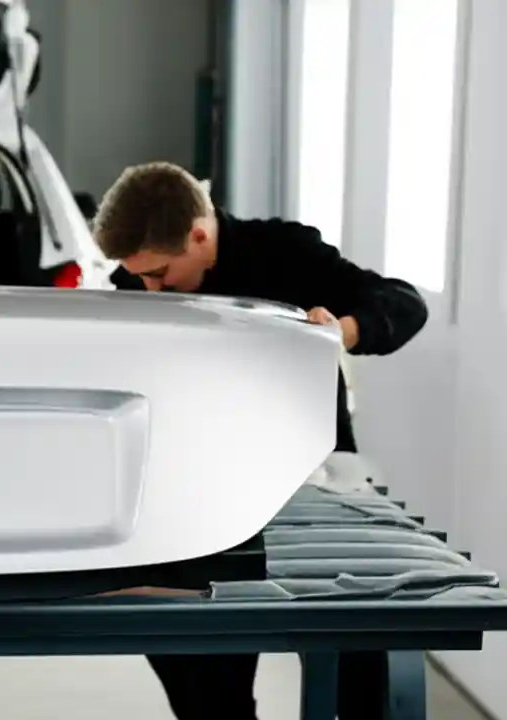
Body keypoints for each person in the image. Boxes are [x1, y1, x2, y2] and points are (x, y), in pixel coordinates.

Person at [92, 162, 429, 719]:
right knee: (196, 669)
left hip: (310, 484)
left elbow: (405, 304)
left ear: (199, 236)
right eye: (140, 277)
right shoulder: (135, 283)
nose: (149, 289)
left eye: (160, 274)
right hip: (195, 494)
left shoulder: (286, 253)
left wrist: (340, 331)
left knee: (357, 659)